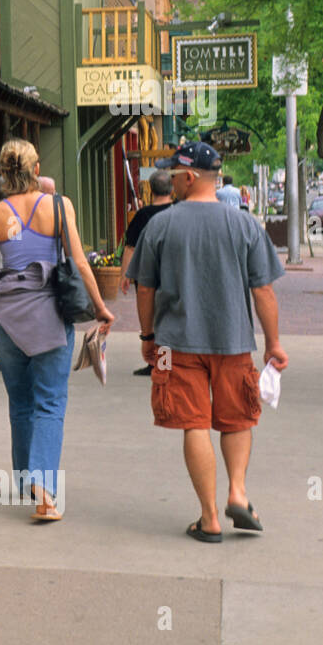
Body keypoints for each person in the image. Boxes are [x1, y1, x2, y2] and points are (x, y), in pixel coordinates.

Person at [126, 142, 289, 544]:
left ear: (189, 177)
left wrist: (147, 338)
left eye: (174, 173)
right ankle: (238, 492)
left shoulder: (159, 225)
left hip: (172, 346)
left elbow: (143, 288)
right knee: (238, 418)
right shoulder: (245, 225)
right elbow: (263, 291)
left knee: (193, 422)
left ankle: (210, 517)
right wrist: (273, 344)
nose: (169, 179)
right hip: (234, 342)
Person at [0, 139, 115, 521]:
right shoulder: (60, 206)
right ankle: (44, 493)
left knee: (21, 403)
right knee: (50, 403)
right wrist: (101, 308)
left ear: (4, 174)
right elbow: (79, 261)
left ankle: (27, 482)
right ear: (36, 169)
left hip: (7, 319)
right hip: (50, 319)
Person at [120, 169, 175, 376]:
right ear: (172, 189)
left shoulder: (143, 215)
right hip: (174, 274)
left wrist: (125, 274)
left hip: (148, 274)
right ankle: (168, 363)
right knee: (169, 321)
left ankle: (160, 364)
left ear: (150, 190)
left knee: (152, 321)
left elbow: (130, 246)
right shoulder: (178, 210)